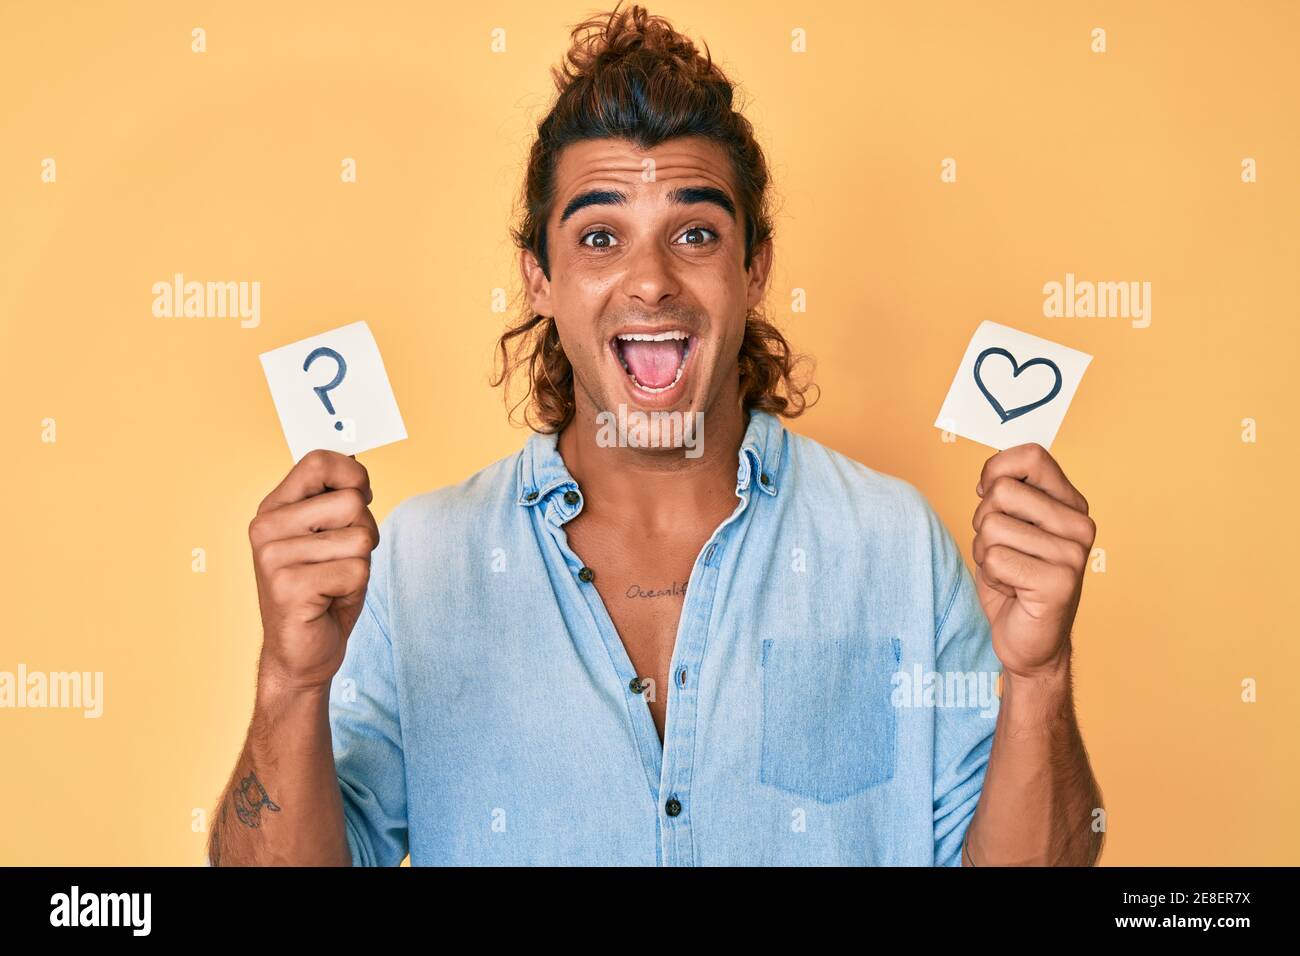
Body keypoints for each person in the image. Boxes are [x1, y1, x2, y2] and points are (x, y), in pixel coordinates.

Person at [208, 3, 1102, 866]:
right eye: (600, 236)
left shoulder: (894, 543)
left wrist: (1039, 675)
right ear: (539, 279)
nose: (649, 281)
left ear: (753, 269)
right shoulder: (420, 563)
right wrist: (291, 681)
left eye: (695, 233)